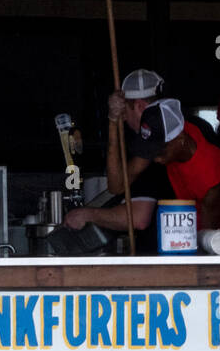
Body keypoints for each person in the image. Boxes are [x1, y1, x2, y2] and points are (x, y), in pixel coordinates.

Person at [64, 74, 174, 251]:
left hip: (169, 253)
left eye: (124, 112)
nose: (123, 118)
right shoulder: (146, 143)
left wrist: (88, 215)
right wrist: (113, 121)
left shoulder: (156, 143)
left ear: (139, 106)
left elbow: (139, 218)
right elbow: (116, 186)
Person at [130, 97, 220, 243]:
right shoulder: (182, 130)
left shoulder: (210, 180)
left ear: (180, 139)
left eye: (161, 151)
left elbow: (211, 242)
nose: (156, 159)